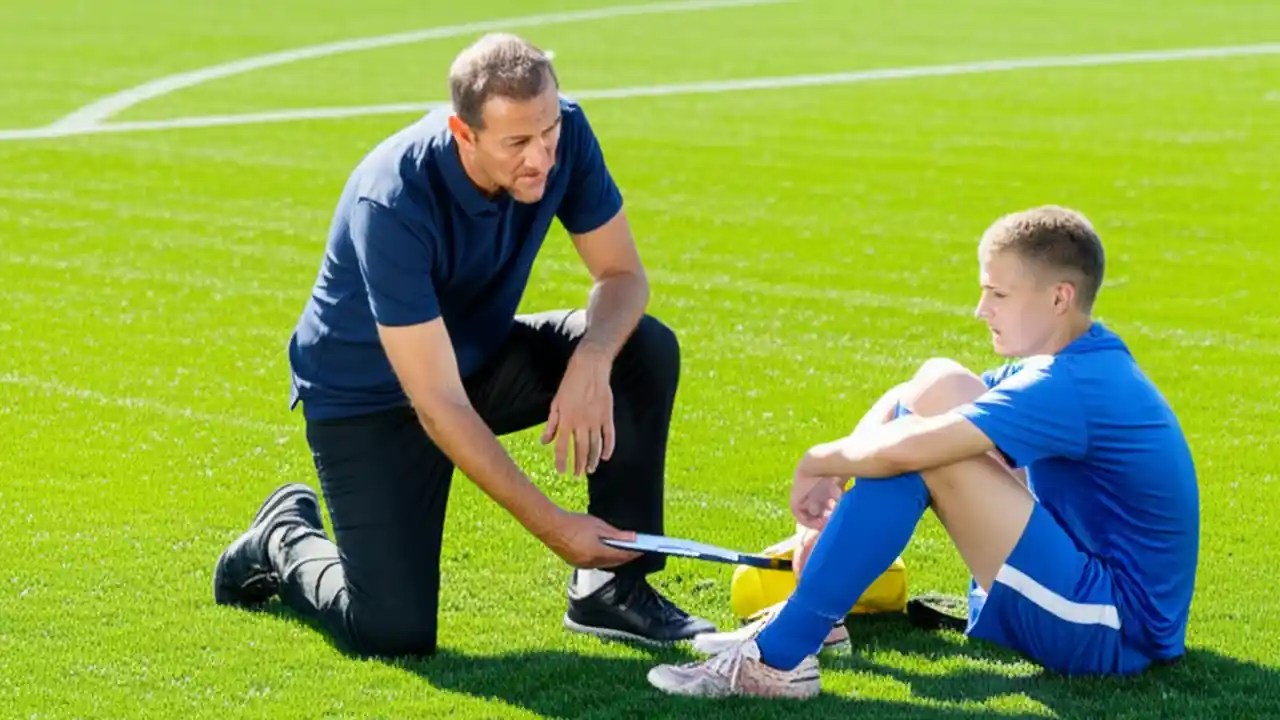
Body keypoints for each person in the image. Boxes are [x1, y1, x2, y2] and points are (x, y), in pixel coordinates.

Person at [212, 32, 715, 656]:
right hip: (369, 402)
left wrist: (590, 360)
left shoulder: (567, 135)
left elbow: (623, 277)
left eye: (549, 132)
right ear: (464, 132)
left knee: (641, 347)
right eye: (518, 144)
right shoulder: (392, 198)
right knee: (391, 633)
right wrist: (555, 527)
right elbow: (438, 404)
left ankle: (612, 591)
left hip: (473, 362)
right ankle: (282, 537)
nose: (542, 158)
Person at [648, 206, 1200, 699]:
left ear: (1060, 298)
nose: (981, 309)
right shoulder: (1068, 362)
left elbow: (918, 444)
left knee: (922, 452)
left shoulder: (1072, 384)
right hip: (1087, 597)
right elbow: (912, 396)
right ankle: (816, 618)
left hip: (1113, 631)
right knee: (937, 382)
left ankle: (779, 659)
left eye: (999, 294)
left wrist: (822, 459)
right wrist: (832, 498)